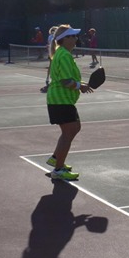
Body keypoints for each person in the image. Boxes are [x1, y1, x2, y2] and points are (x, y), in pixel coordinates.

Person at [45, 25, 94, 181]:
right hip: (61, 100)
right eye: (72, 36)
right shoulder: (64, 55)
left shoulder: (62, 53)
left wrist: (81, 83)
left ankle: (56, 158)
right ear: (64, 39)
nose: (75, 38)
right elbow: (66, 81)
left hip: (61, 100)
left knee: (74, 128)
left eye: (75, 36)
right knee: (68, 132)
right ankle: (58, 169)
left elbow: (67, 78)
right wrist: (81, 86)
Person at [40, 25, 59, 93]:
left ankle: (49, 79)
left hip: (53, 54)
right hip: (53, 54)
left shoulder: (53, 37)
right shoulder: (53, 37)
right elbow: (51, 45)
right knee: (53, 66)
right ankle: (51, 79)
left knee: (52, 66)